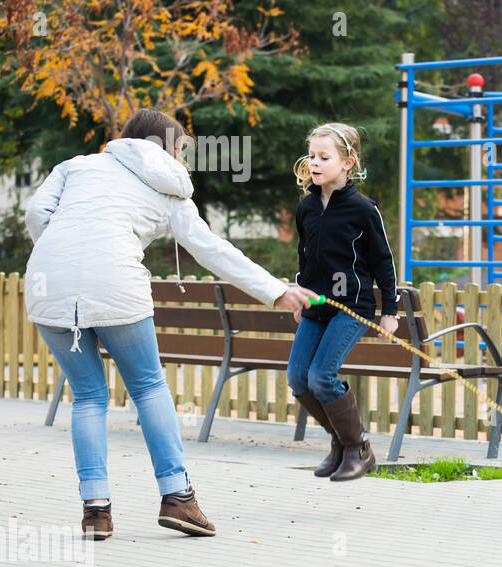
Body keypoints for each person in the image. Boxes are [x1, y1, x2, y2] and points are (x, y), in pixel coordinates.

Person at [23, 108, 317, 540]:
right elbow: (211, 249)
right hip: (116, 285)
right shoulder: (171, 190)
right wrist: (276, 290)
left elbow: (35, 212)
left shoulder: (76, 166)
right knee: (147, 387)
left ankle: (96, 511)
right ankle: (178, 498)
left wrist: (63, 255)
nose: (182, 157)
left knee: (88, 397)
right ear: (169, 148)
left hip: (48, 285)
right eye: (181, 148)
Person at [288, 122, 399, 482]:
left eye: (324, 157)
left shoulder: (363, 209)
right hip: (315, 308)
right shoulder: (306, 208)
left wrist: (390, 312)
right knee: (298, 379)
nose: (315, 163)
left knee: (322, 376)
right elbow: (305, 257)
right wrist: (298, 295)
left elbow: (384, 262)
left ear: (348, 162)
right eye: (312, 156)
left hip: (352, 308)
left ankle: (358, 449)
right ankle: (340, 442)